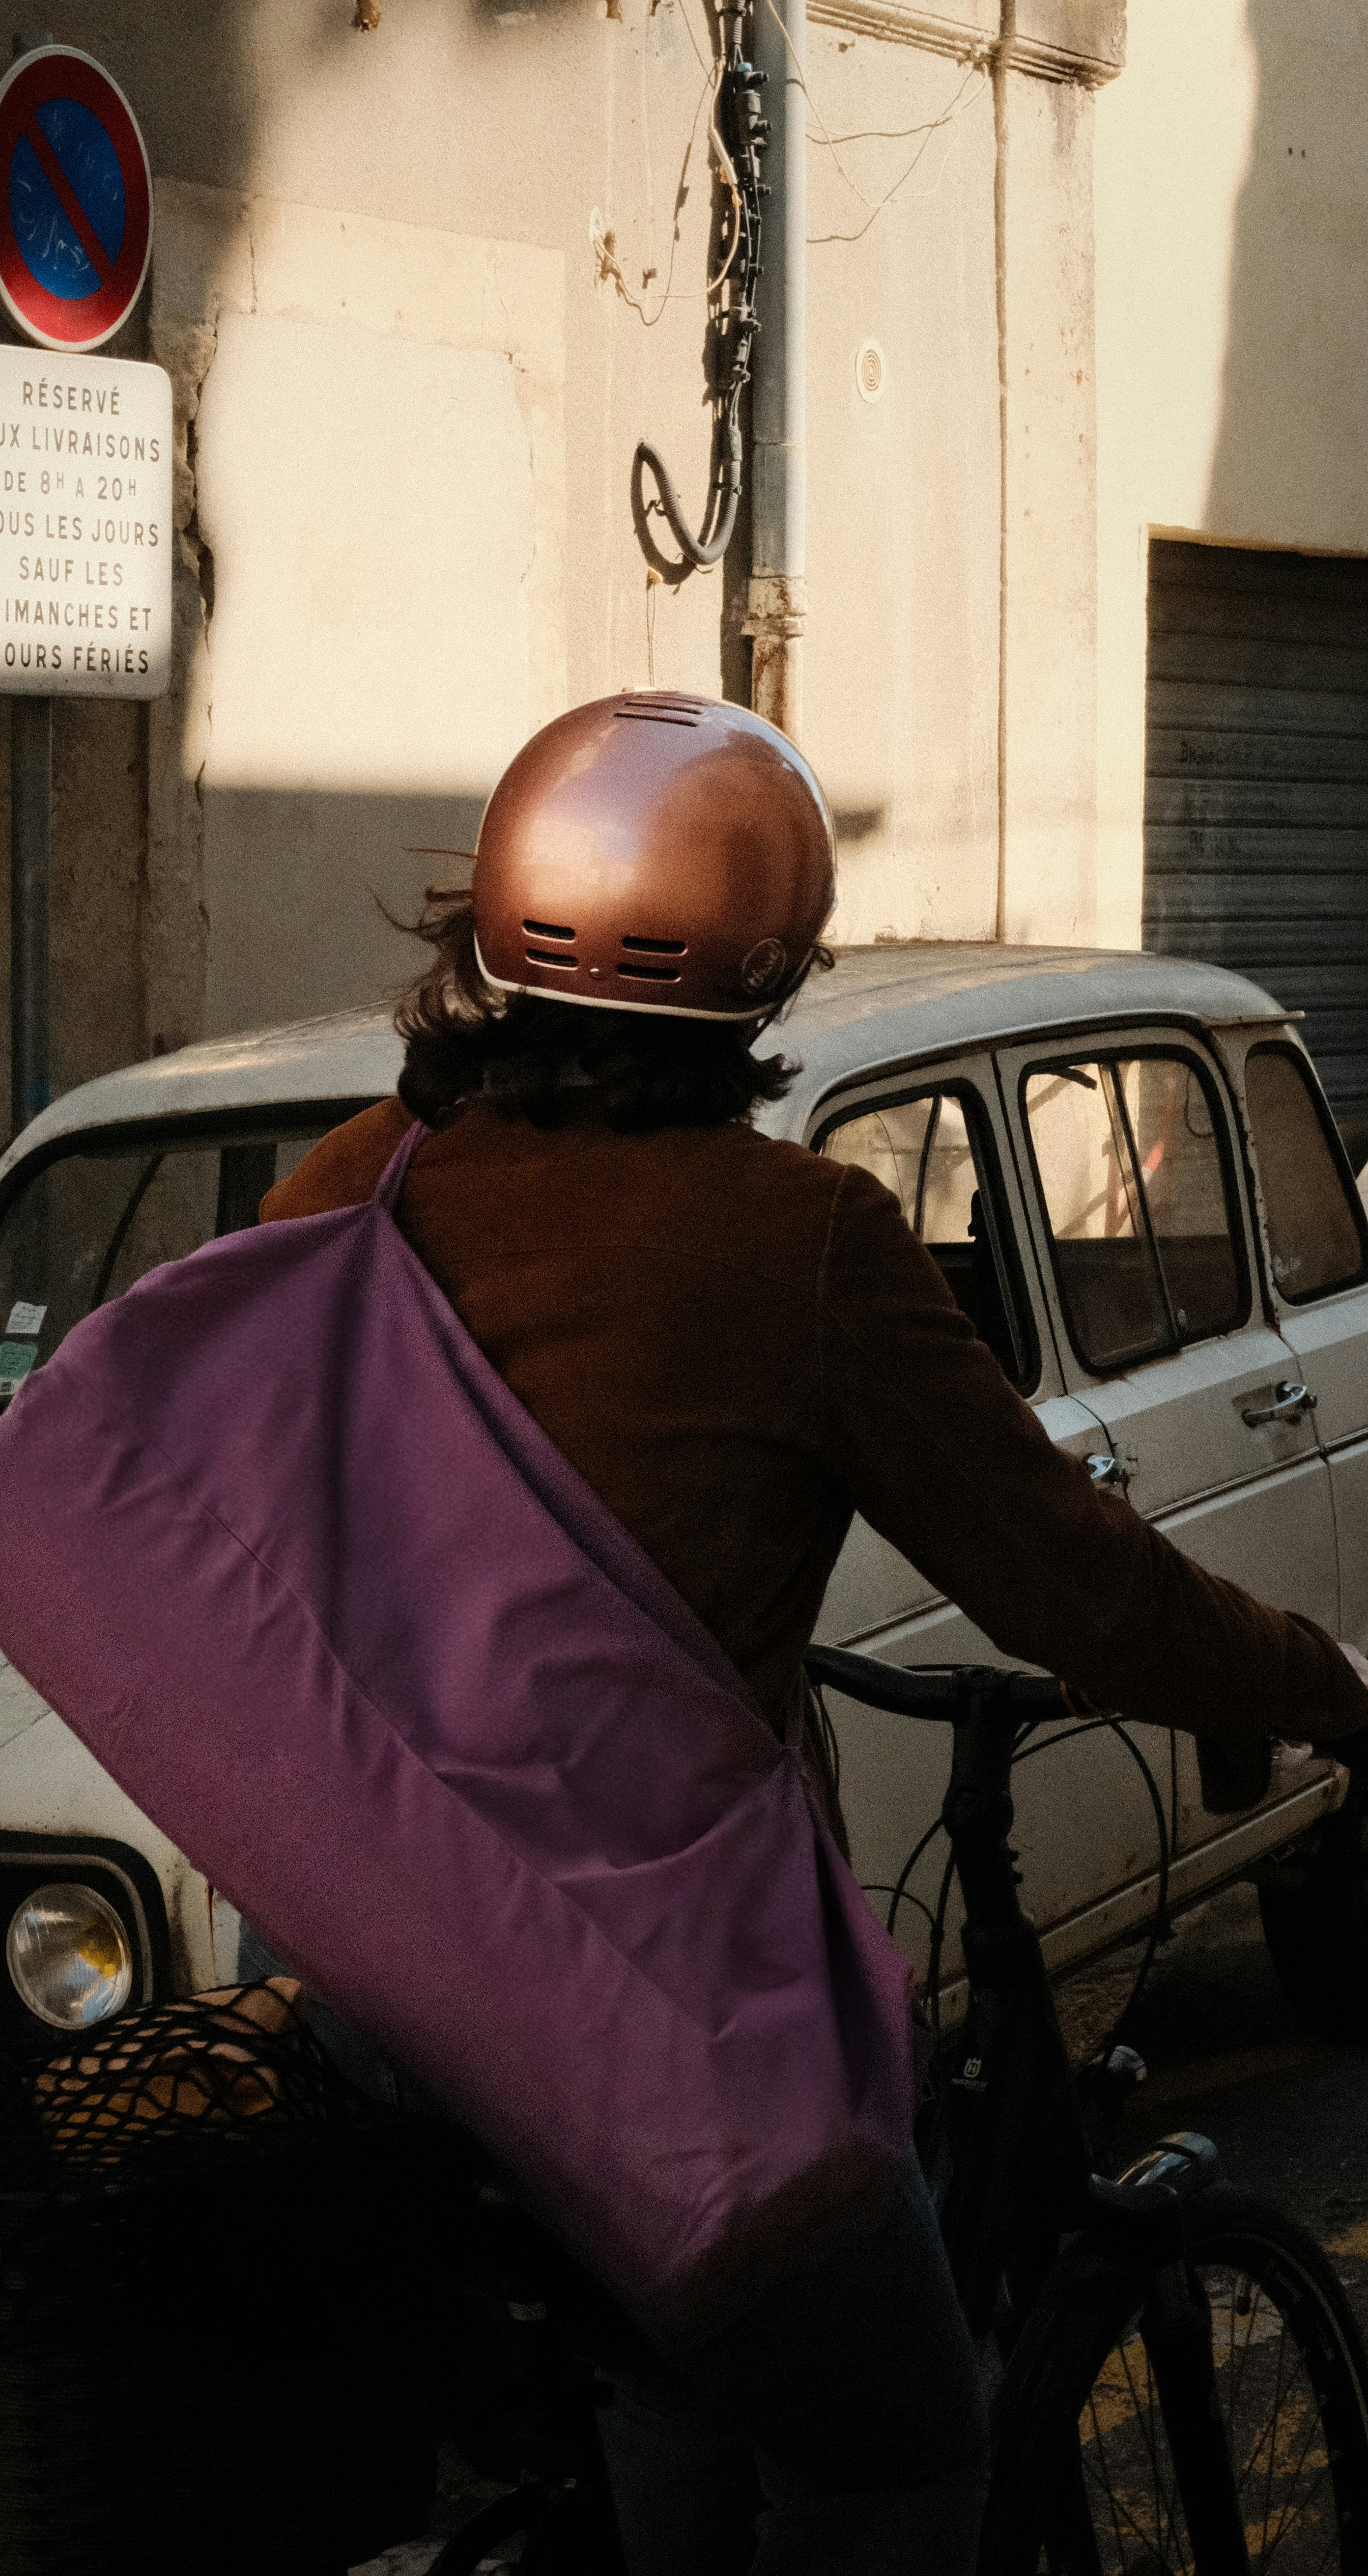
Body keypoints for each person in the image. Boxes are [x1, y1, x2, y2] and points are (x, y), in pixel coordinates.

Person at [246, 691, 1368, 2576]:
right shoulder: (803, 1242)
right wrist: (1308, 1685)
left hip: (363, 1963)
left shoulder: (340, 1189)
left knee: (672, 2394)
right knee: (890, 2455)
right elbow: (1077, 1586)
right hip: (631, 1989)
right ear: (765, 986)